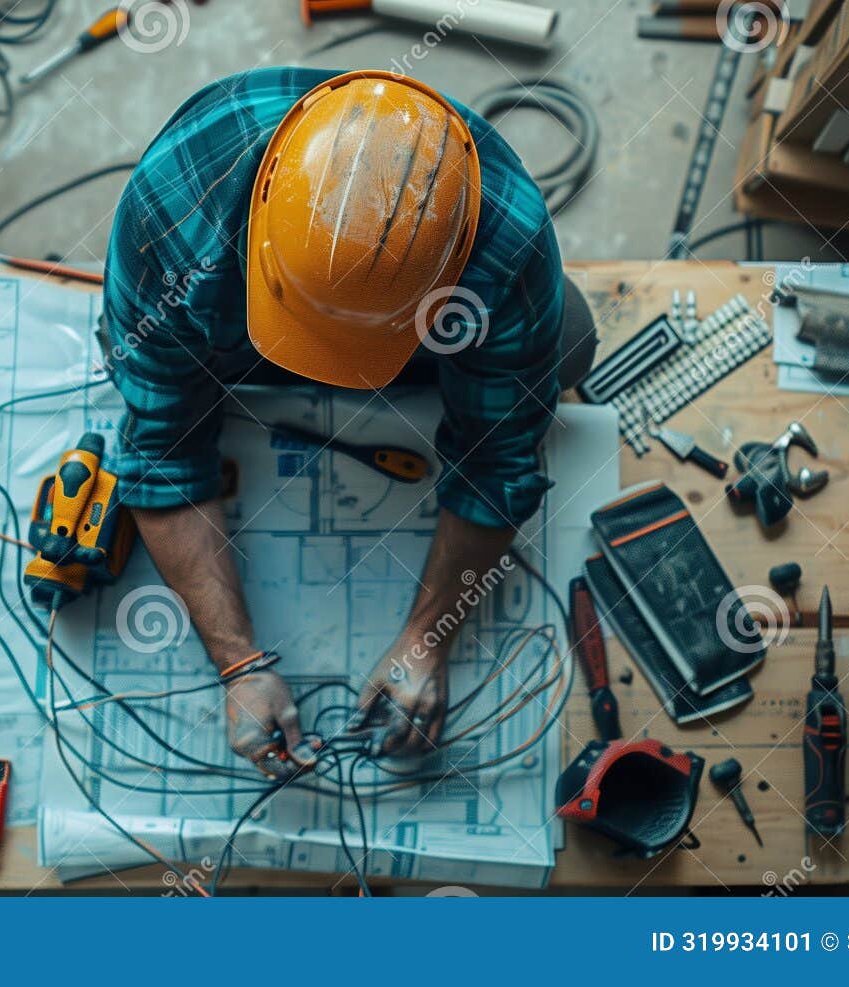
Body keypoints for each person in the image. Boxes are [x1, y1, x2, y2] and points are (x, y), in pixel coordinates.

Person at [103, 67, 596, 779]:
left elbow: (499, 462)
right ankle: (285, 327)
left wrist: (427, 641)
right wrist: (238, 664)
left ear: (454, 265)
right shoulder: (177, 205)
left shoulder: (507, 243)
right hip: (235, 331)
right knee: (150, 362)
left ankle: (376, 335)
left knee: (569, 341)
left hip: (419, 340)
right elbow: (161, 450)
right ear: (265, 204)